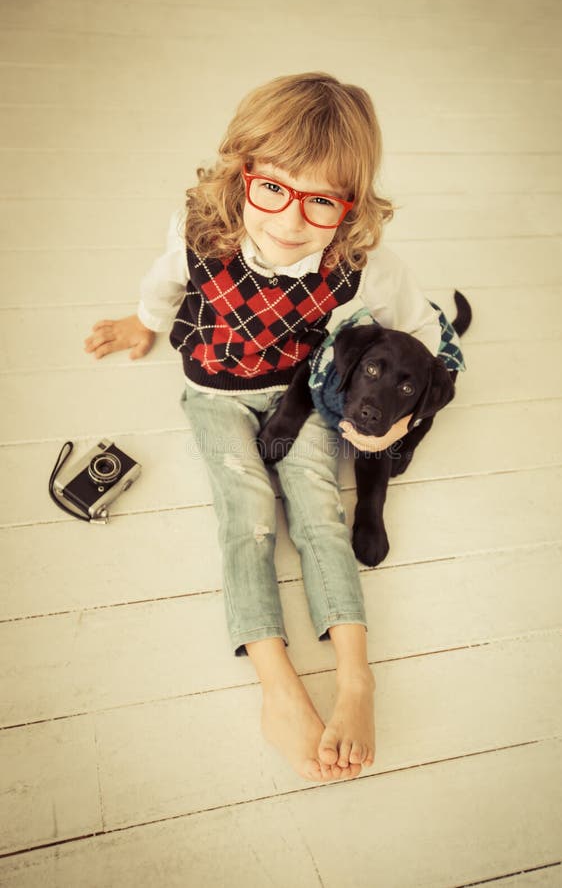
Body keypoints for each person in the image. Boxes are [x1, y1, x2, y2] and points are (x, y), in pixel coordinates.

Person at [85, 72, 442, 783]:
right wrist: (145, 322)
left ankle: (354, 675)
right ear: (242, 171)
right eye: (272, 187)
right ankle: (277, 685)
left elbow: (425, 332)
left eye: (320, 201)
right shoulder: (200, 229)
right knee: (246, 511)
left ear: (350, 203)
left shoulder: (364, 264)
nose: (288, 220)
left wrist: (396, 421)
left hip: (298, 395)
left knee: (316, 503)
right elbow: (166, 281)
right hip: (213, 392)